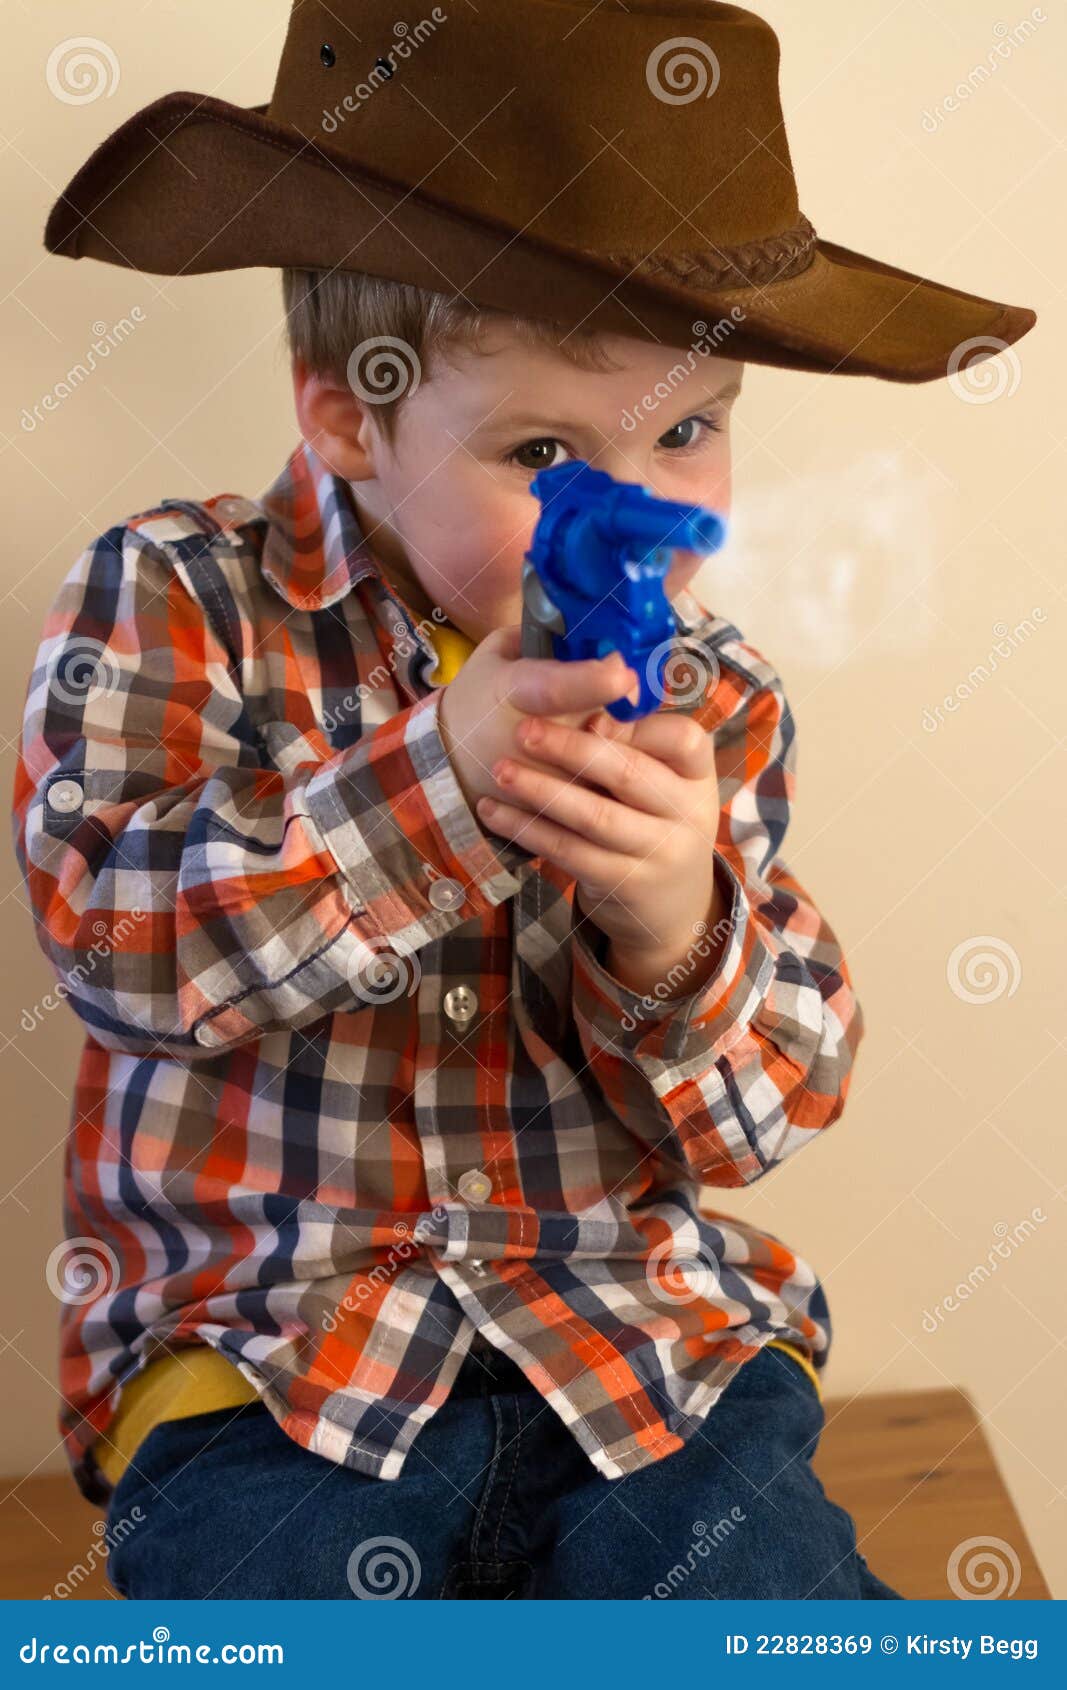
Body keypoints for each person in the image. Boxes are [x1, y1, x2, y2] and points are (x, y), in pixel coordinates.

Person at [13, 0, 1034, 1600]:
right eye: (546, 444)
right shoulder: (171, 597)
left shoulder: (715, 696)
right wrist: (438, 783)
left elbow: (766, 1112)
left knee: (765, 1606)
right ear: (348, 410)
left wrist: (676, 925)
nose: (644, 511)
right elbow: (115, 945)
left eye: (690, 430)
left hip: (643, 1360)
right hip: (275, 1373)